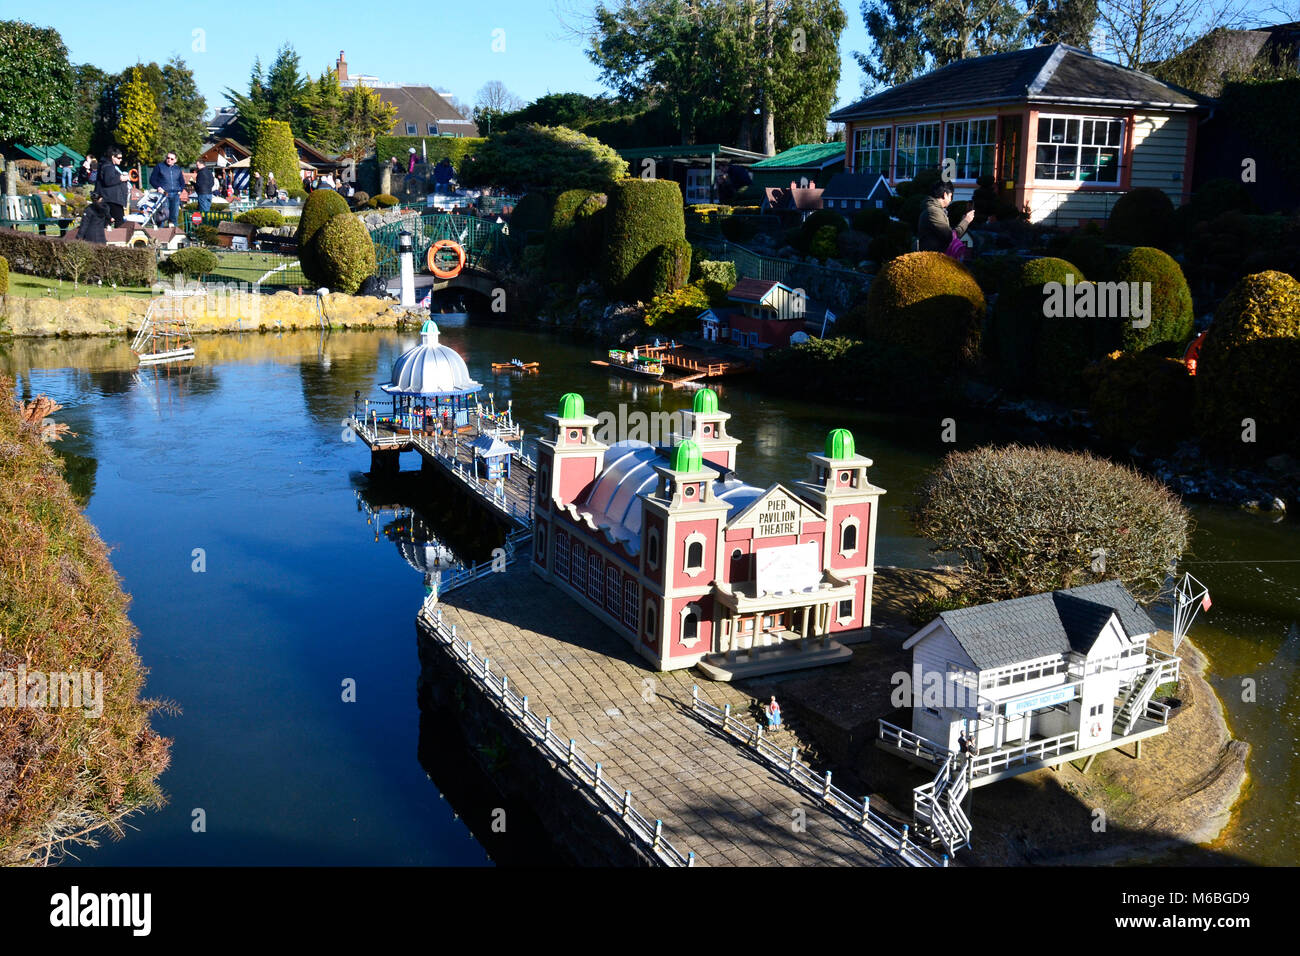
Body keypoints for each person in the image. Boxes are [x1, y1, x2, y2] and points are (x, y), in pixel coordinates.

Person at [918, 179, 974, 256]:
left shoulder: (936, 209)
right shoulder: (933, 211)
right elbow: (950, 236)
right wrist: (966, 221)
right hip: (933, 259)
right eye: (951, 196)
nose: (951, 200)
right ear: (945, 195)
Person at [92, 146, 129, 228]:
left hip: (109, 198)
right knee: (119, 220)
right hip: (112, 199)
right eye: (119, 158)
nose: (121, 160)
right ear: (113, 157)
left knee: (107, 220)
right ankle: (118, 238)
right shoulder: (108, 166)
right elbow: (108, 181)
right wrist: (121, 178)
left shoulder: (106, 165)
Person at [149, 151, 187, 226]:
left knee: (174, 218)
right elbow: (152, 180)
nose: (169, 160)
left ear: (175, 160)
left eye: (172, 159)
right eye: (168, 158)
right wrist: (158, 187)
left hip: (175, 195)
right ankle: (161, 235)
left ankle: (173, 235)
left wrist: (180, 190)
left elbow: (182, 182)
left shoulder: (177, 169)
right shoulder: (159, 166)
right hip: (163, 195)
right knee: (162, 217)